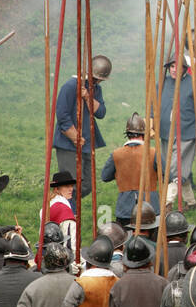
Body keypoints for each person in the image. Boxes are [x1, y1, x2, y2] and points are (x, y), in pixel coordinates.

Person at [53, 54, 111, 199]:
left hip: (86, 143)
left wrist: (87, 97)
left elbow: (101, 112)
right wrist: (74, 136)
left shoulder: (96, 89)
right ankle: (66, 214)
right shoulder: (70, 86)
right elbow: (62, 114)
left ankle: (71, 211)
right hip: (68, 144)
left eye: (99, 80)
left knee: (86, 185)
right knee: (69, 186)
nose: (97, 82)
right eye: (95, 78)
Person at [156, 56, 196, 210]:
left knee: (176, 168)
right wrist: (152, 125)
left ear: (184, 69)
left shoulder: (195, 85)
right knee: (172, 166)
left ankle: (167, 202)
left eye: (177, 66)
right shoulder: (161, 84)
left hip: (187, 133)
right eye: (172, 66)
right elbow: (154, 106)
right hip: (166, 133)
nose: (174, 69)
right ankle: (191, 201)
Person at [100, 113, 160, 226]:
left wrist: (121, 171)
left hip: (126, 210)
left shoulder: (116, 154)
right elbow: (166, 174)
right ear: (143, 135)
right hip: (151, 208)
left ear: (127, 135)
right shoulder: (153, 152)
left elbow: (105, 176)